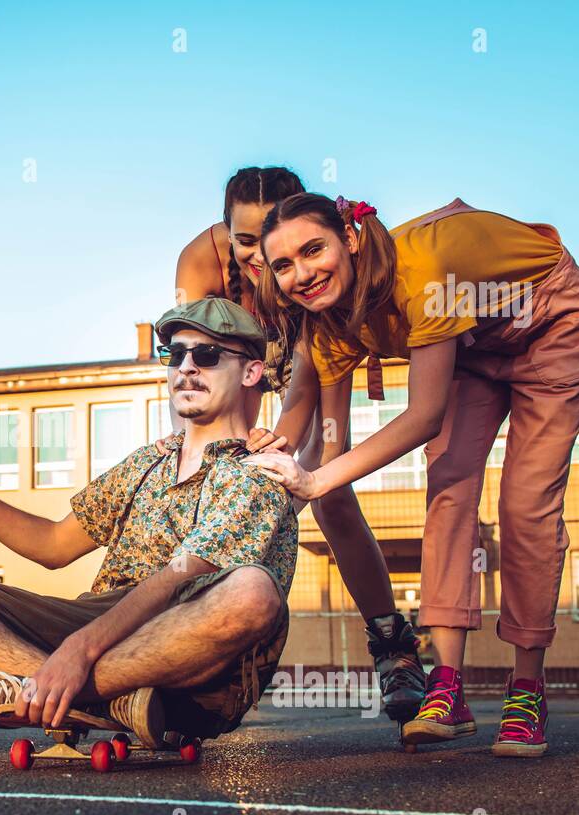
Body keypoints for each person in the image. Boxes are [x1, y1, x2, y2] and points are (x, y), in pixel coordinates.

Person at [251, 193, 579, 757]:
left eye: (312, 249)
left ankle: (527, 688)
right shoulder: (330, 324)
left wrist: (316, 481)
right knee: (449, 483)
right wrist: (279, 454)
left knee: (524, 501)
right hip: (476, 341)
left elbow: (424, 415)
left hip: (552, 320)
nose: (302, 273)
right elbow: (329, 435)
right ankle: (449, 688)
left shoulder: (422, 272)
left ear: (350, 237)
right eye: (284, 265)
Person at [0, 298, 298, 748]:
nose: (186, 367)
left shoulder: (259, 469)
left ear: (250, 372)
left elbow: (181, 574)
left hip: (191, 659)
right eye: (175, 354)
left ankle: (39, 689)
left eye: (206, 356)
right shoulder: (148, 461)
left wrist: (79, 651)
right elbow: (53, 544)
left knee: (251, 592)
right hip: (100, 616)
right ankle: (91, 697)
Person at [169, 166, 428, 720]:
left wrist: (281, 455)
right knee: (208, 478)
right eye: (245, 243)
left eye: (271, 243)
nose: (259, 258)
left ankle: (393, 646)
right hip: (237, 358)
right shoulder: (201, 263)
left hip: (312, 346)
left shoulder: (307, 275)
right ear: (226, 233)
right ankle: (187, 647)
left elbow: (304, 400)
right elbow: (197, 363)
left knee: (327, 489)